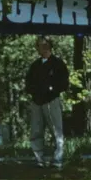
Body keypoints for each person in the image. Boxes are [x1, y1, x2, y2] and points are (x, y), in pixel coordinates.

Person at [25, 37, 68, 168]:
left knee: (56, 130)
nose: (40, 48)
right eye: (38, 46)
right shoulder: (35, 65)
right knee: (36, 131)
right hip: (36, 101)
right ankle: (39, 159)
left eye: (43, 45)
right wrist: (32, 92)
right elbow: (28, 82)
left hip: (51, 101)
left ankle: (57, 159)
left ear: (49, 46)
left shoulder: (58, 63)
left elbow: (64, 83)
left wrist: (52, 90)